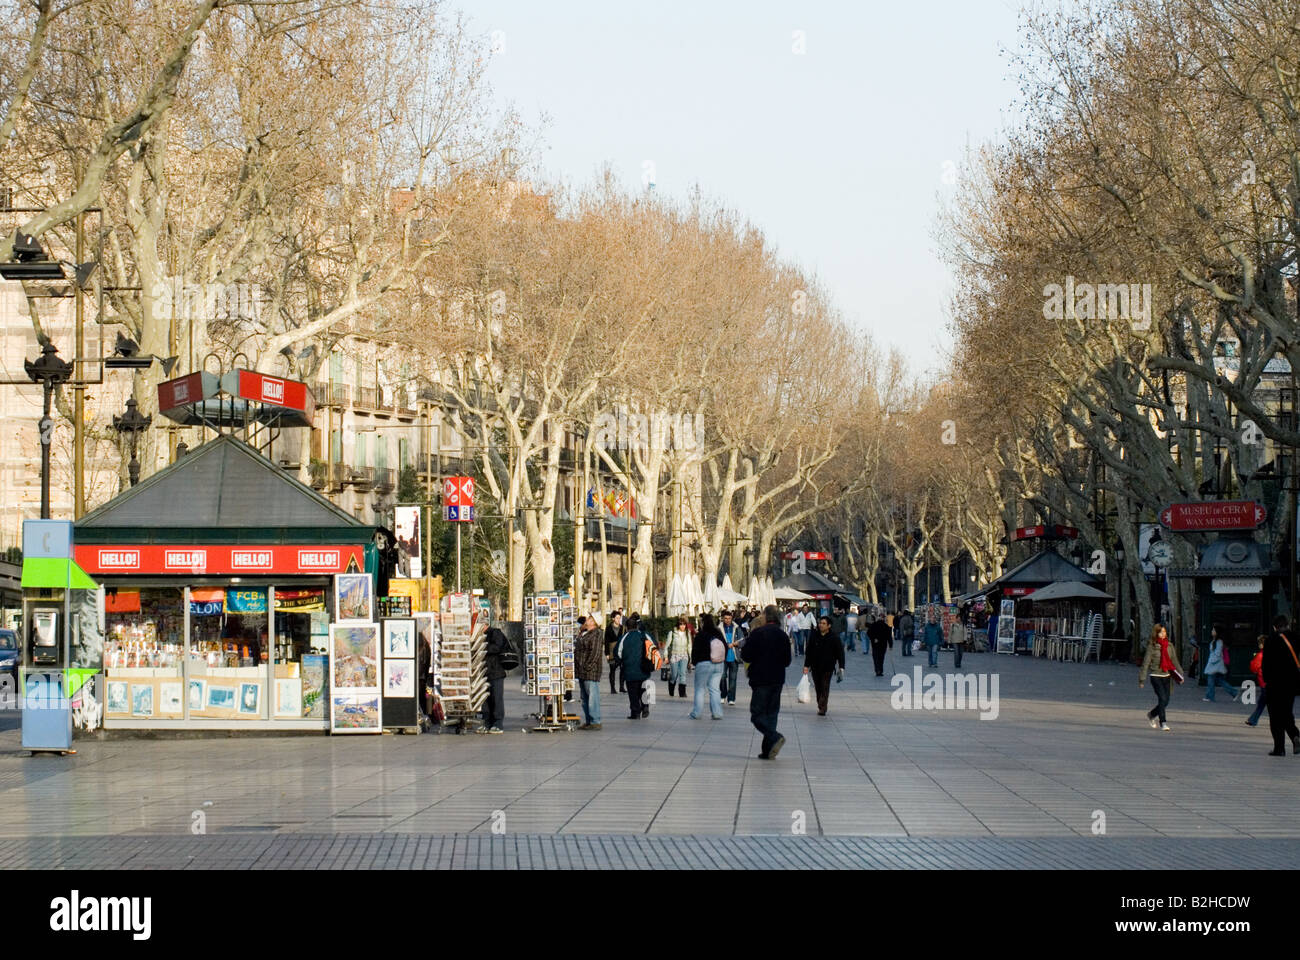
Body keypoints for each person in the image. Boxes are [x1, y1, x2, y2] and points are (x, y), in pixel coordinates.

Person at [740, 605, 792, 759]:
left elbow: (746, 656)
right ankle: (768, 750)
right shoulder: (783, 636)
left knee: (756, 714)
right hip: (777, 679)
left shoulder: (758, 633)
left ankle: (774, 737)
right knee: (771, 714)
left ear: (766, 616)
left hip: (761, 679)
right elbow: (787, 661)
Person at [1262, 615, 1300, 756]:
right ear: (1287, 625)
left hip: (1275, 683)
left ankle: (1279, 748)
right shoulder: (1296, 638)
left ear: (1274, 627)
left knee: (1275, 715)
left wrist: (1266, 679)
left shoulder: (1271, 641)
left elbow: (1265, 664)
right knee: (1286, 712)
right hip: (1291, 684)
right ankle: (1295, 735)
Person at [1138, 623, 1182, 732]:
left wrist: (1180, 675)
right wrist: (1142, 679)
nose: (1163, 634)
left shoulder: (1170, 646)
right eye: (1161, 632)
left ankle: (1152, 714)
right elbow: (1146, 662)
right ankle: (1163, 722)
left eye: (1164, 632)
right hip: (1156, 675)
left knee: (1166, 701)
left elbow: (1174, 661)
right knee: (1162, 698)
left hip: (1167, 676)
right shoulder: (1152, 646)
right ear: (1156, 633)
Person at [618, 613, 660, 719]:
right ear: (637, 626)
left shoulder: (624, 637)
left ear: (627, 627)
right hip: (644, 668)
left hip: (629, 670)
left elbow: (618, 653)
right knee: (643, 688)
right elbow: (654, 646)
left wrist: (622, 661)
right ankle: (645, 706)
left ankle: (635, 712)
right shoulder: (644, 635)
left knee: (632, 692)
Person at [803, 614, 845, 716]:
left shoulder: (834, 637)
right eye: (820, 623)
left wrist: (841, 667)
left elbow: (840, 653)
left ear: (829, 626)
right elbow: (808, 652)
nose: (821, 625)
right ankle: (820, 704)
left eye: (823, 623)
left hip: (828, 667)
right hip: (815, 666)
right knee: (818, 687)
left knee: (825, 687)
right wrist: (806, 666)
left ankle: (823, 707)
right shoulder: (814, 636)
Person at [688, 612, 725, 720]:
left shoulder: (701, 634)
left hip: (704, 664)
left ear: (703, 623)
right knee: (715, 689)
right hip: (718, 664)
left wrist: (694, 662)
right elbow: (725, 647)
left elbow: (695, 650)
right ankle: (717, 713)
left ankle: (697, 713)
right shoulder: (718, 633)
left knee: (700, 689)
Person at [574, 615, 604, 730]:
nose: (586, 620)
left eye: (589, 619)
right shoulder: (585, 633)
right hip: (582, 671)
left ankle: (595, 721)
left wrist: (587, 666)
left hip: (590, 671)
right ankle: (588, 720)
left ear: (594, 622)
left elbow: (595, 653)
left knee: (592, 697)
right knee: (584, 697)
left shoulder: (596, 634)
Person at [479, 625, 508, 733]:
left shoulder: (495, 632)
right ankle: (486, 722)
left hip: (496, 671)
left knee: (496, 697)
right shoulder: (478, 634)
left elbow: (497, 647)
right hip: (483, 672)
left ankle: (498, 723)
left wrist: (481, 647)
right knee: (484, 699)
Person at [1202, 625, 1240, 702]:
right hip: (1216, 665)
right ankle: (1234, 692)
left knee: (1211, 680)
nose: (1212, 631)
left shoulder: (1219, 642)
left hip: (1215, 665)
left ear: (1217, 632)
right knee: (1219, 681)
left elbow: (1217, 654)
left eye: (1213, 630)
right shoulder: (1215, 641)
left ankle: (1210, 696)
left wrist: (1211, 662)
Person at [719, 609, 746, 705]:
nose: (727, 620)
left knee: (733, 679)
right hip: (722, 657)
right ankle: (723, 694)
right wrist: (726, 644)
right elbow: (715, 641)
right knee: (722, 677)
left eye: (729, 618)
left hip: (734, 657)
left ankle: (731, 698)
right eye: (725, 618)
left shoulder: (737, 628)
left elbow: (743, 641)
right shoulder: (719, 629)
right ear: (722, 619)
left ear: (732, 618)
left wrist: (735, 644)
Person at [664, 617, 692, 698]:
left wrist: (690, 658)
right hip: (674, 655)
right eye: (681, 624)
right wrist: (665, 657)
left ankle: (682, 692)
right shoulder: (672, 633)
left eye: (684, 625)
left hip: (684, 655)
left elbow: (689, 646)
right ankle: (671, 685)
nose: (683, 626)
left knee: (683, 673)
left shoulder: (688, 633)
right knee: (674, 675)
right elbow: (667, 646)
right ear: (678, 625)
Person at [1245, 636, 1267, 727]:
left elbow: (1254, 667)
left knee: (1262, 702)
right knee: (1261, 702)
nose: (1259, 645)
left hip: (1264, 682)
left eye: (1260, 643)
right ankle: (1253, 720)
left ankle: (1253, 720)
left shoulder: (1260, 655)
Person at [604, 611, 625, 695]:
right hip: (612, 651)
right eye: (617, 618)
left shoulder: (623, 628)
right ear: (613, 619)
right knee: (612, 669)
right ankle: (612, 688)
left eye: (619, 618)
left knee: (623, 669)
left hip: (621, 651)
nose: (618, 619)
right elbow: (606, 641)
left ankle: (621, 687)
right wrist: (607, 653)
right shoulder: (608, 628)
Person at [867, 611, 892, 677]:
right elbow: (889, 637)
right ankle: (880, 670)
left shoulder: (874, 625)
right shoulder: (886, 626)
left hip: (875, 644)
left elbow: (869, 633)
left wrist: (873, 638)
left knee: (876, 658)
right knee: (881, 658)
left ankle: (877, 670)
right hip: (883, 645)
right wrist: (890, 645)